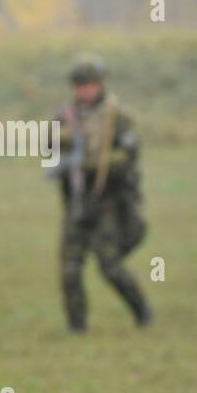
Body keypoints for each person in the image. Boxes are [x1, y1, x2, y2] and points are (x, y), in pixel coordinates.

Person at [52, 54, 151, 332]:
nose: (85, 90)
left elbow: (129, 157)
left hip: (107, 199)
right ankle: (77, 325)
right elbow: (51, 151)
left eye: (90, 84)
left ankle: (141, 309)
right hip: (77, 201)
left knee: (109, 265)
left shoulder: (116, 116)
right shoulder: (65, 117)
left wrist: (96, 164)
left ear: (101, 84)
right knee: (70, 268)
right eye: (80, 85)